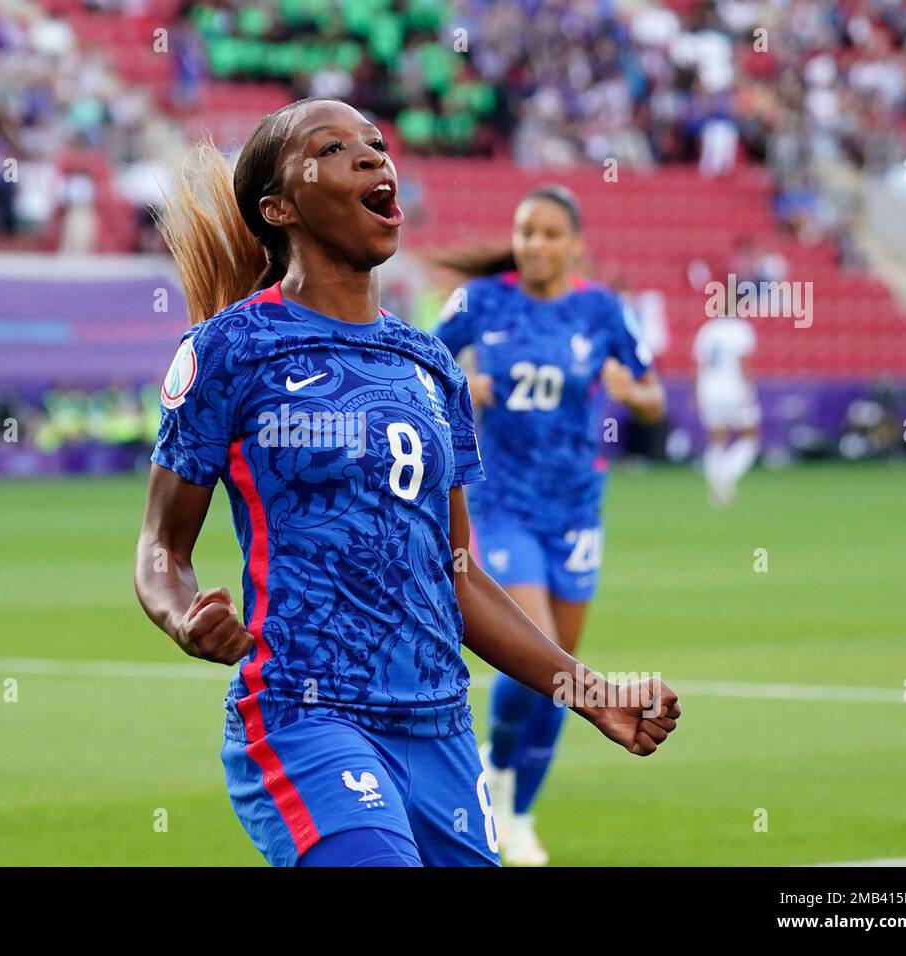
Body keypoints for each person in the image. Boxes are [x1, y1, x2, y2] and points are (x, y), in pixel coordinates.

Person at [134, 99, 680, 867]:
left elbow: (459, 578)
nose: (372, 157)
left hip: (441, 731)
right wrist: (181, 613)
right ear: (279, 207)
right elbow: (161, 546)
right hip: (306, 719)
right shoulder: (228, 351)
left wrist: (588, 692)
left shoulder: (430, 365)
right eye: (334, 148)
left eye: (377, 143)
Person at [432, 185, 667, 865]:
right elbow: (417, 358)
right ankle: (492, 769)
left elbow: (652, 393)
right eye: (524, 231)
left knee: (561, 680)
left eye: (548, 233)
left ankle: (520, 812)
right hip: (501, 506)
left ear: (574, 244)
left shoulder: (601, 310)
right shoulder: (483, 302)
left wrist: (636, 395)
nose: (534, 243)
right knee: (540, 655)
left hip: (577, 508)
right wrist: (457, 383)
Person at [693, 307, 761, 506]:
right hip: (733, 389)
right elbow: (742, 362)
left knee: (716, 439)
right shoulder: (740, 329)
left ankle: (715, 482)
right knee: (750, 436)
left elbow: (699, 365)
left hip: (709, 390)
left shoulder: (707, 330)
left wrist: (697, 391)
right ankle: (726, 475)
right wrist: (747, 389)